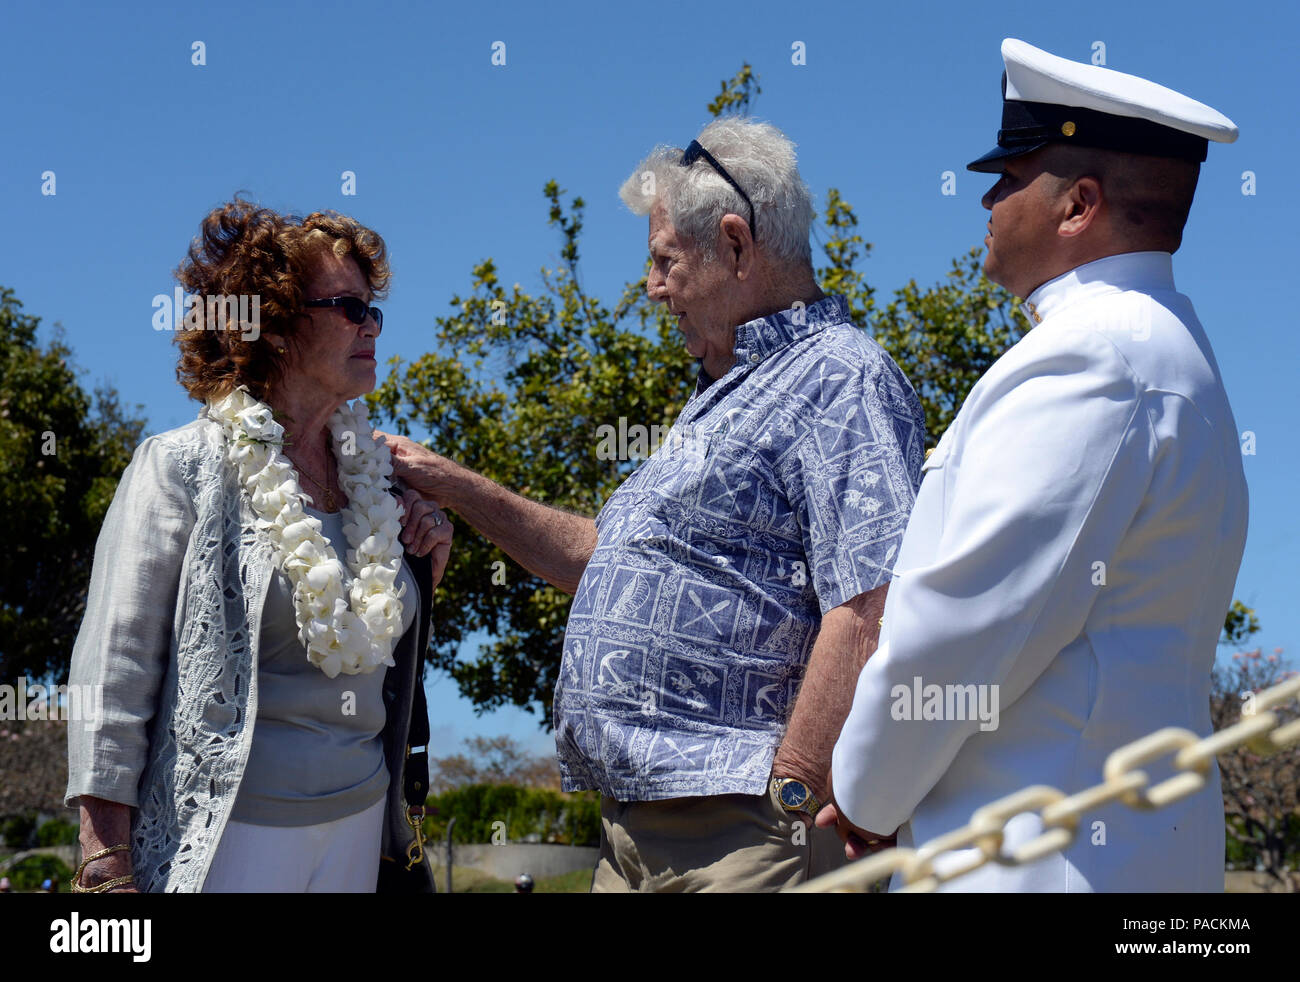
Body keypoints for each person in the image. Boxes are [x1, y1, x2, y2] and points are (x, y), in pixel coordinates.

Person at [384, 117, 927, 891]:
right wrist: (456, 485)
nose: (652, 288)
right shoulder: (720, 396)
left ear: (737, 246)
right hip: (636, 833)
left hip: (744, 834)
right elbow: (602, 560)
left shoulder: (842, 376)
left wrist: (793, 792)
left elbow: (872, 599)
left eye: (665, 261)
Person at [823, 38, 1247, 891]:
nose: (986, 196)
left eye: (1011, 176)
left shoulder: (1091, 358)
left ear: (1077, 204)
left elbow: (965, 627)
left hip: (1031, 864)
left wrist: (866, 792)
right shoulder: (1164, 349)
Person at [64, 199, 452, 893]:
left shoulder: (381, 485)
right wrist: (104, 865)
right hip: (223, 842)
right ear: (271, 327)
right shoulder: (180, 467)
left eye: (374, 310)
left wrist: (425, 570)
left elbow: (373, 659)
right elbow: (111, 679)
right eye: (348, 308)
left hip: (360, 835)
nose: (372, 327)